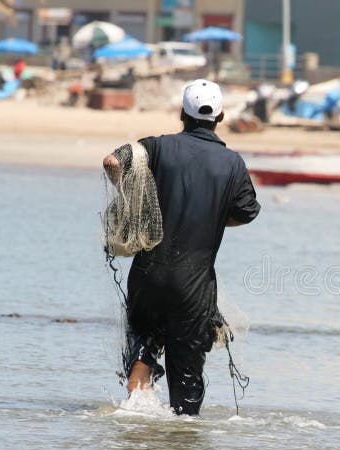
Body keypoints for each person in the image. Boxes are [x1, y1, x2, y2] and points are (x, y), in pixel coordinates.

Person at [102, 79, 261, 415]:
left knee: (143, 353)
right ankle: (181, 442)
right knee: (186, 376)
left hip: (148, 277)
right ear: (220, 117)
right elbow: (246, 213)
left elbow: (112, 161)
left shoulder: (156, 147)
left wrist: (133, 199)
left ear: (181, 114)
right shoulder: (232, 163)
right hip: (194, 286)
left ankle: (134, 421)